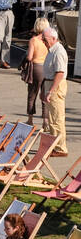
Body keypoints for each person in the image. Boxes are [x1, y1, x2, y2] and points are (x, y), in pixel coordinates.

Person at [41, 24, 69, 155]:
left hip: (55, 86)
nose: (43, 41)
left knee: (57, 118)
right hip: (50, 84)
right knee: (52, 117)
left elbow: (60, 73)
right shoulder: (52, 50)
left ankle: (60, 148)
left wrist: (50, 90)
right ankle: (55, 145)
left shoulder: (58, 52)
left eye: (45, 39)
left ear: (53, 38)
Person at [24, 16, 49, 125]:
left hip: (36, 68)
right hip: (47, 68)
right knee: (45, 95)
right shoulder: (48, 40)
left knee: (32, 94)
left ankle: (30, 119)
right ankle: (45, 120)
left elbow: (29, 57)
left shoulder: (33, 40)